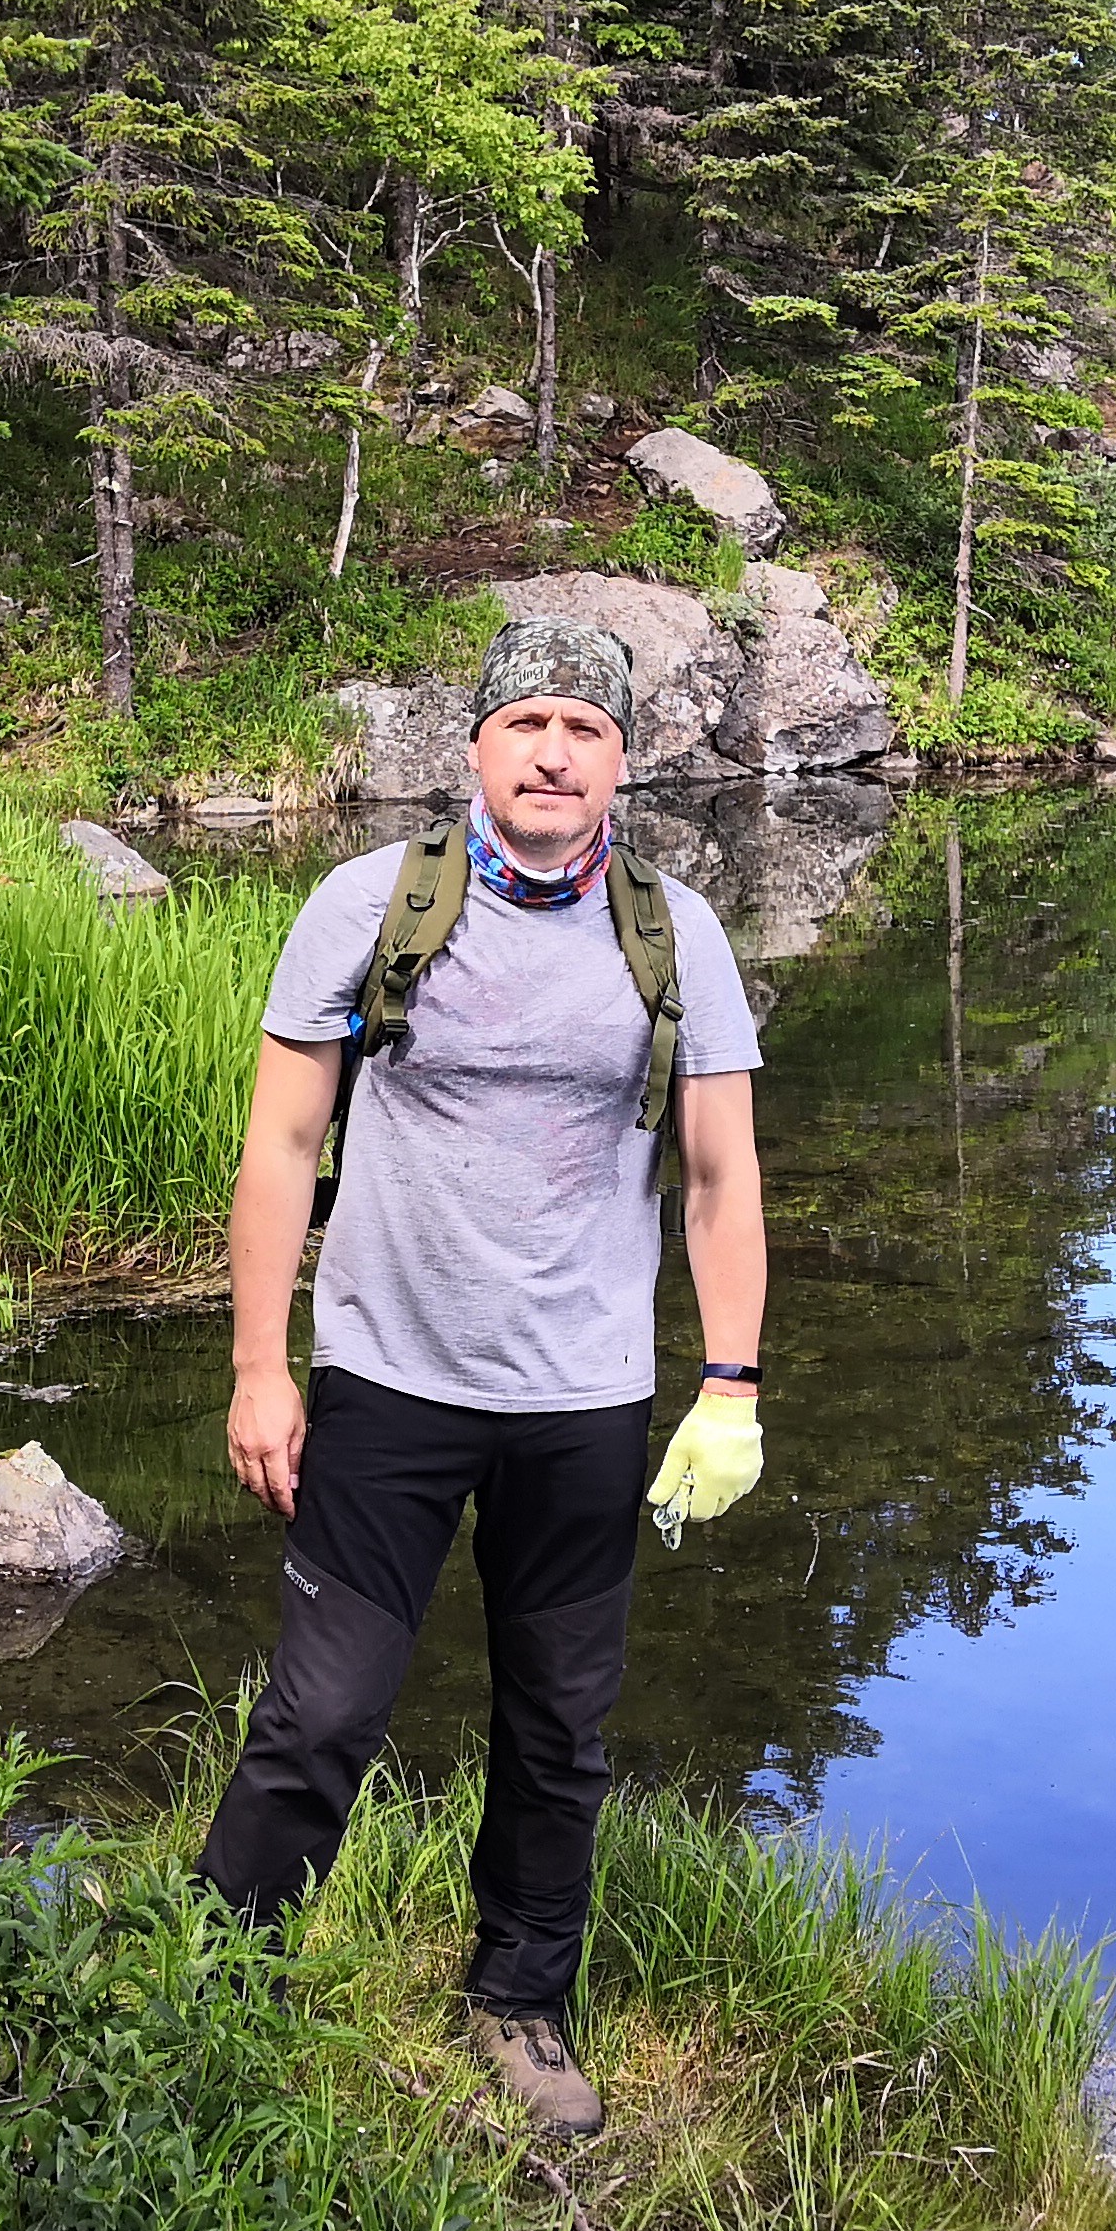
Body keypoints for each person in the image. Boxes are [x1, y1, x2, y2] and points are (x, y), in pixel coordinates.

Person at [196, 614, 771, 2139]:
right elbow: (281, 1148)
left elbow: (721, 1180)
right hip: (388, 1384)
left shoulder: (677, 937)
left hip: (583, 1402)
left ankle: (521, 2005)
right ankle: (209, 1993)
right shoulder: (369, 906)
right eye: (527, 723)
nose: (554, 753)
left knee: (558, 1733)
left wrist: (731, 1383)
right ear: (475, 747)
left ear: (624, 763)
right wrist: (260, 1368)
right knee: (319, 1716)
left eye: (586, 728)